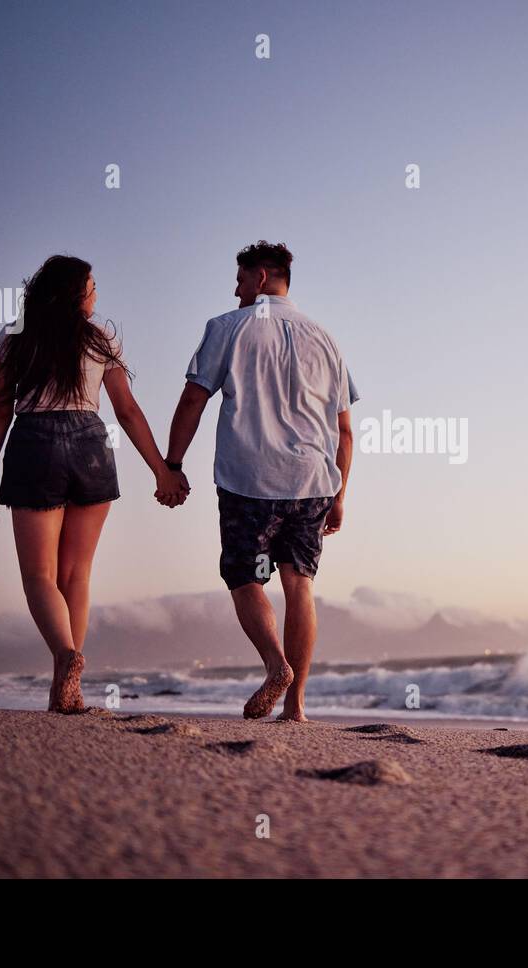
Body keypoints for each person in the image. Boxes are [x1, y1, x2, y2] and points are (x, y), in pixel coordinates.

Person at [0, 255, 188, 713]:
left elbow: (0, 408)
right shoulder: (100, 338)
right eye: (92, 287)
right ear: (74, 293)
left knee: (39, 576)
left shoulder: (14, 335)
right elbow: (127, 410)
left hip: (34, 444)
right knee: (76, 573)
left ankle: (65, 656)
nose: (96, 295)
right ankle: (66, 686)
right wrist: (161, 470)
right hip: (91, 444)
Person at [165, 241, 358, 721]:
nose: (236, 291)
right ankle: (296, 707)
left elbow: (193, 399)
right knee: (300, 584)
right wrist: (339, 495)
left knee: (245, 576)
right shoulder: (326, 338)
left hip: (248, 479)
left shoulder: (227, 327)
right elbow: (345, 430)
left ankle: (275, 664)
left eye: (239, 280)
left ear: (261, 277)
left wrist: (172, 463)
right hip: (313, 482)